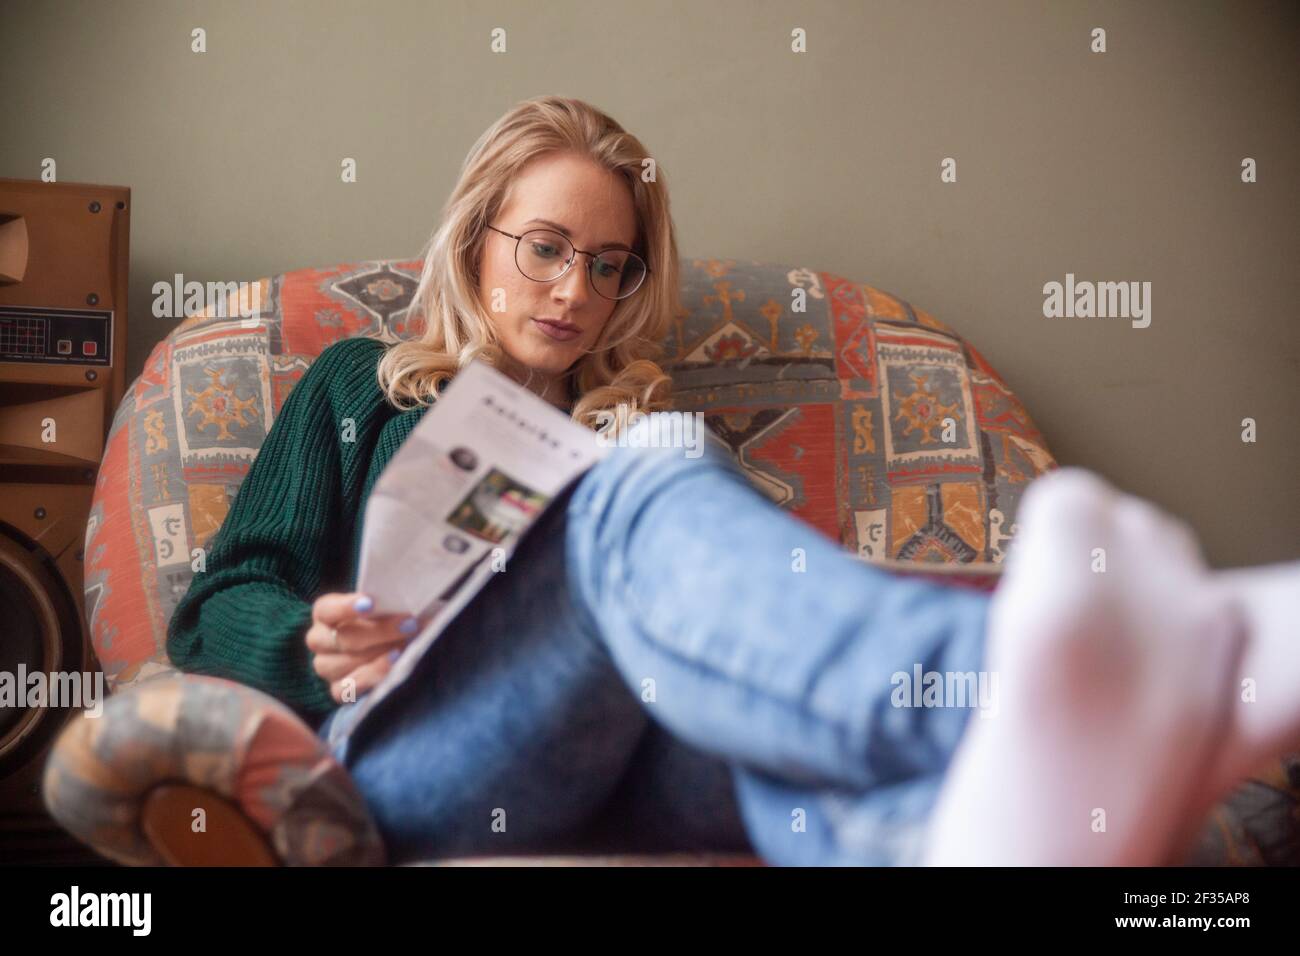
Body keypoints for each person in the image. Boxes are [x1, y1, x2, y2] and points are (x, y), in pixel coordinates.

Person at [167, 95, 1300, 866]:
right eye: (547, 246)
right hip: (425, 748)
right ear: (475, 242)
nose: (576, 289)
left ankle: (995, 822)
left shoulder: (636, 424)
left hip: (633, 743)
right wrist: (313, 642)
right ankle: (1018, 680)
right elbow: (214, 604)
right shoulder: (361, 385)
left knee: (762, 705)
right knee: (645, 472)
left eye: (608, 266)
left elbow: (749, 615)